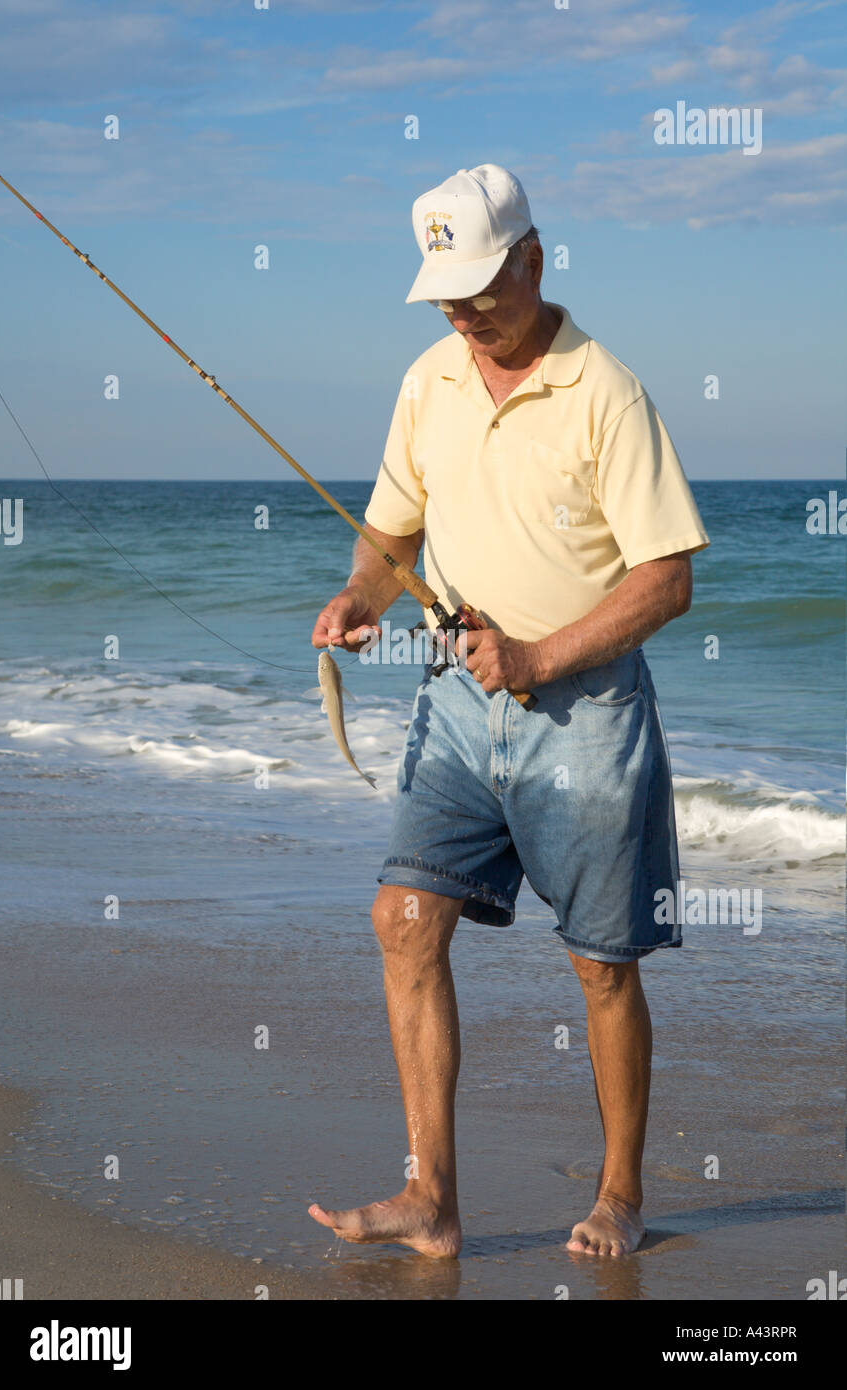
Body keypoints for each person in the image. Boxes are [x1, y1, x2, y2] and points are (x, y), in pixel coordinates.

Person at [309, 164, 709, 1258]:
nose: (466, 311)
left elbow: (667, 577)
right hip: (453, 708)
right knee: (403, 918)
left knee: (602, 967)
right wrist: (360, 595)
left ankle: (619, 1193)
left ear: (534, 257)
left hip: (584, 719)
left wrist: (537, 650)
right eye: (447, 292)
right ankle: (431, 1196)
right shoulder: (428, 382)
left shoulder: (606, 389)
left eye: (483, 286)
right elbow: (393, 539)